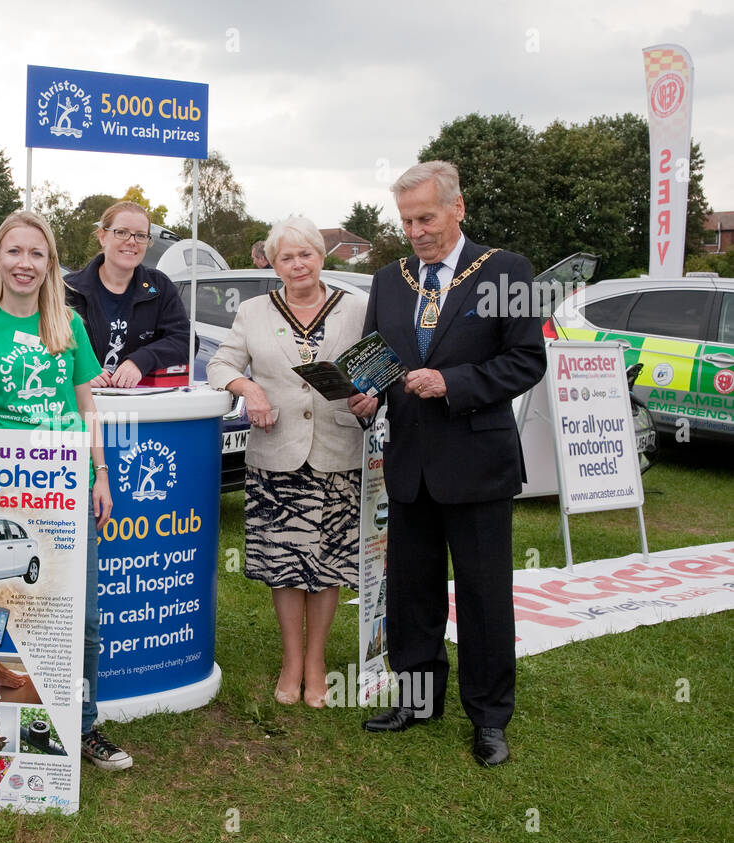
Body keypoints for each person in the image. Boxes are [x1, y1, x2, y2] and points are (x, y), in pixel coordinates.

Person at [348, 160, 545, 766]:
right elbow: (378, 358)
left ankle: (488, 718)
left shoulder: (509, 270)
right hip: (408, 464)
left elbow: (526, 361)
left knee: (485, 595)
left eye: (426, 218)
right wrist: (366, 391)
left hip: (478, 463)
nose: (416, 231)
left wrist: (452, 382)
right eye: (406, 221)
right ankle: (417, 698)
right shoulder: (388, 279)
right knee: (413, 591)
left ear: (458, 208)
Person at [0, 210, 132, 771]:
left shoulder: (69, 327)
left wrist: (101, 473)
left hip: (69, 492)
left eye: (37, 253)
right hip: (3, 497)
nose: (25, 264)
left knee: (84, 618)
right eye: (14, 252)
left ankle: (82, 725)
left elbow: (87, 408)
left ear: (50, 262)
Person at [207, 216, 367, 708]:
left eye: (306, 254)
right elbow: (220, 364)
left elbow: (377, 367)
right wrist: (248, 387)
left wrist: (372, 395)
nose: (297, 264)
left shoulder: (357, 309)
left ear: (322, 256)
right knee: (284, 563)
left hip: (339, 452)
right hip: (276, 455)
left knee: (328, 563)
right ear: (271, 263)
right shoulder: (255, 311)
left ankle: (316, 662)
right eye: (285, 257)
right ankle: (291, 659)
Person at [65, 200, 189, 388]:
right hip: (78, 406)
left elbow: (185, 340)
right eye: (121, 232)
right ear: (102, 236)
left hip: (140, 409)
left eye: (140, 235)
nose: (131, 241)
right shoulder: (68, 290)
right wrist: (79, 369)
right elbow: (40, 343)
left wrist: (141, 361)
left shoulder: (160, 287)